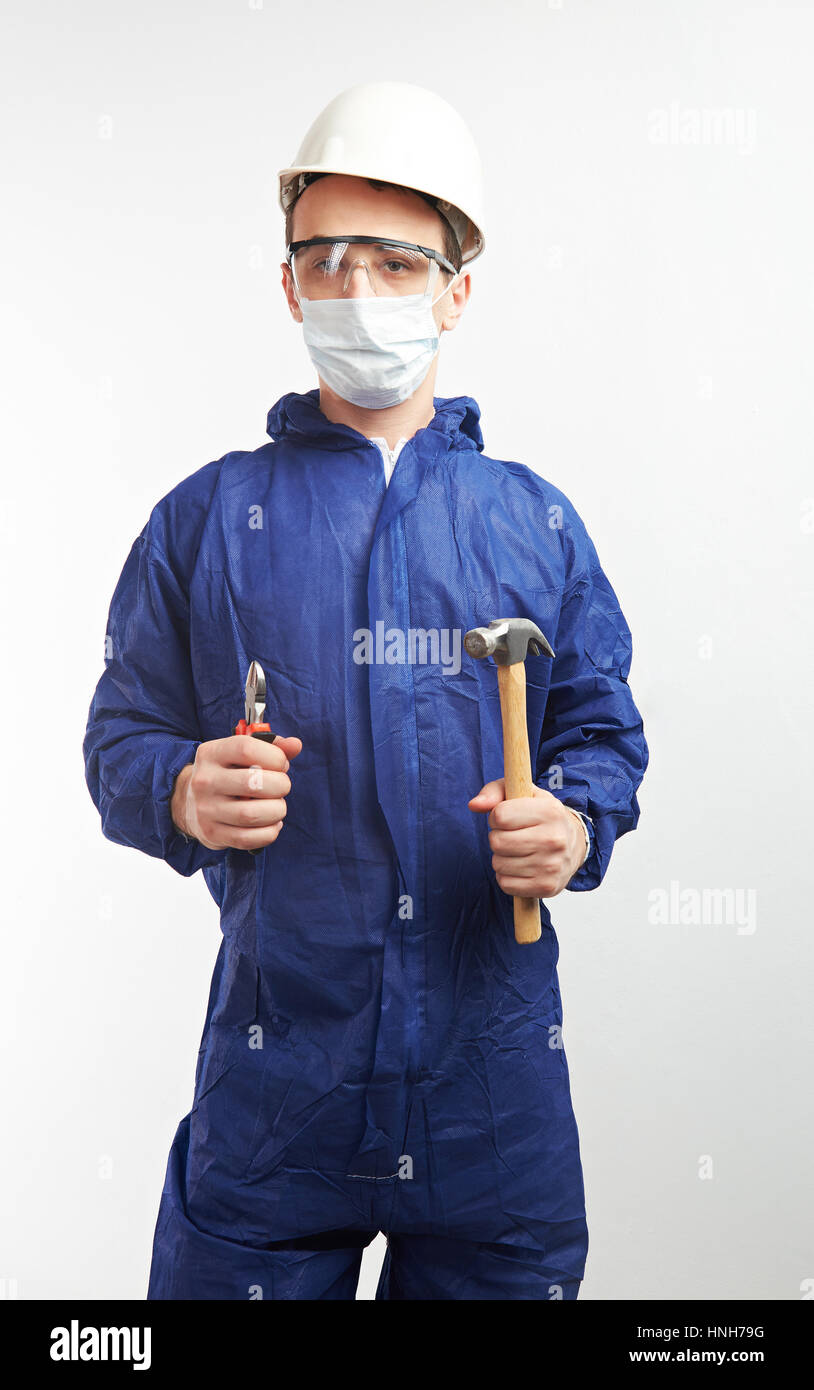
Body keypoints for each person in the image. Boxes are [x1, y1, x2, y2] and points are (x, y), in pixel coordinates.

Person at [83, 80, 648, 1301]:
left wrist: (574, 821)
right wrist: (181, 789)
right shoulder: (206, 521)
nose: (356, 291)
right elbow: (118, 735)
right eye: (325, 259)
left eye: (393, 260)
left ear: (456, 287)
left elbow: (602, 732)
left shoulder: (534, 523)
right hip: (278, 1076)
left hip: (491, 1083)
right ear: (287, 284)